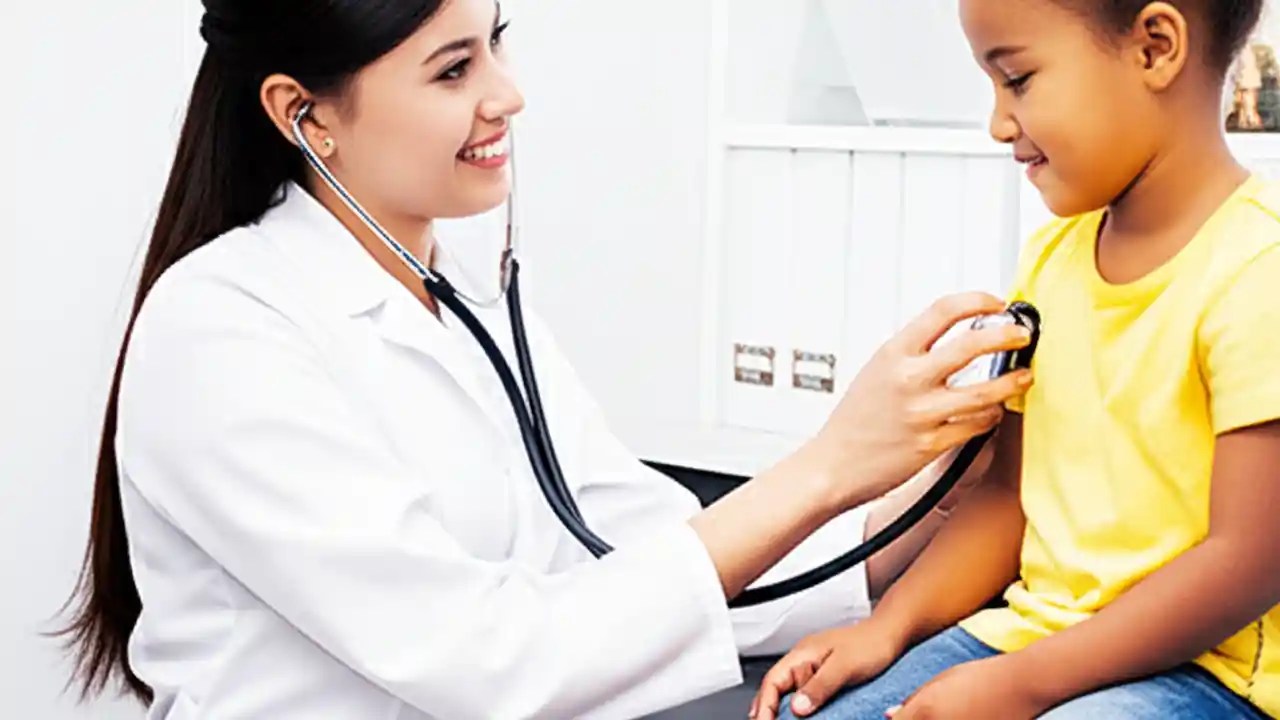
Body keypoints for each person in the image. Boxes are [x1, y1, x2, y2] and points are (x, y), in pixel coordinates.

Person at [53, 2, 1034, 718]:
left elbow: (629, 552)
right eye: (453, 70)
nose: (507, 94)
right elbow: (485, 658)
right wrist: (829, 464)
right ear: (307, 117)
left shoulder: (469, 302)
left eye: (496, 41)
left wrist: (906, 512)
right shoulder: (221, 330)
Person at [753, 0, 1280, 718]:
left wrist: (1022, 686)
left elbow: (1249, 563)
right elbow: (1006, 499)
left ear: (1155, 48)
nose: (999, 123)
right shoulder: (1050, 263)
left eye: (1019, 80)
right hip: (1027, 634)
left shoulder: (1260, 270)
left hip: (1204, 672)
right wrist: (886, 631)